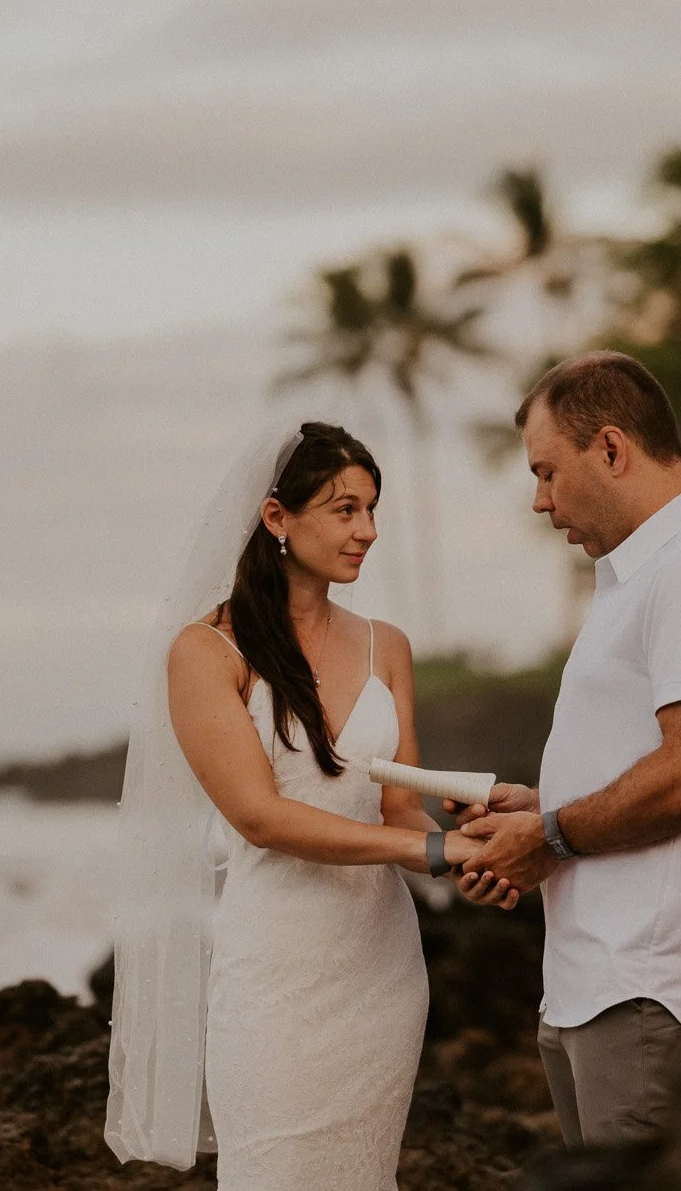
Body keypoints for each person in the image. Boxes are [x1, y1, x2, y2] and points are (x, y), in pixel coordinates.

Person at [105, 421, 500, 1188]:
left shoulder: (390, 645)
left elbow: (401, 809)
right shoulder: (206, 650)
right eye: (344, 508)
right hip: (278, 975)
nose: (368, 530)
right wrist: (427, 853)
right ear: (277, 517)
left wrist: (473, 841)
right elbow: (259, 816)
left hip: (382, 973)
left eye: (373, 508)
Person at [454, 351, 681, 1147]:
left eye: (546, 473)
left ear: (610, 448)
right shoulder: (640, 575)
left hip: (648, 989)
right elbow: (656, 755)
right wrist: (539, 807)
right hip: (592, 985)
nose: (540, 501)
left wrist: (552, 836)